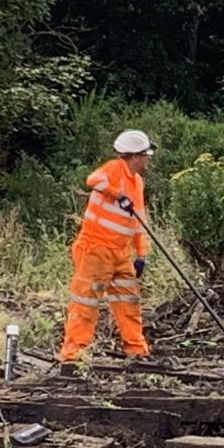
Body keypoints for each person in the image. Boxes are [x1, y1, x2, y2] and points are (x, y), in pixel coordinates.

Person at [60, 129, 155, 362]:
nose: (148, 159)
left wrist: (141, 254)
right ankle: (72, 354)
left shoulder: (137, 182)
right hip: (95, 248)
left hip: (121, 253)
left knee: (128, 301)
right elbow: (93, 179)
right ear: (134, 156)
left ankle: (136, 350)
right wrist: (116, 194)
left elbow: (138, 218)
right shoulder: (114, 169)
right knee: (86, 302)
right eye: (145, 155)